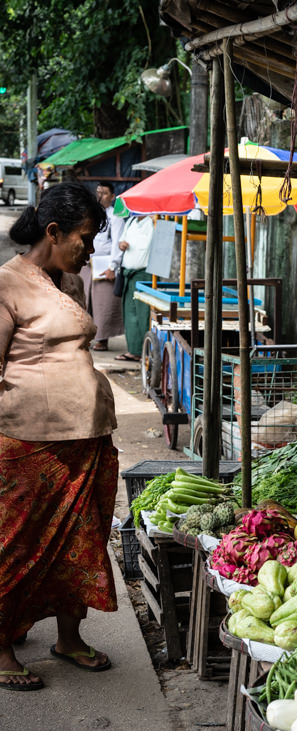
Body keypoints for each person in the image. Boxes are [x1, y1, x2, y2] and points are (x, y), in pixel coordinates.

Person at [0, 183, 119, 691]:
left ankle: (68, 637)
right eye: (84, 240)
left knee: (81, 543)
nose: (88, 251)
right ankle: (1, 645)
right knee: (16, 546)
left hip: (84, 440)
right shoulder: (8, 284)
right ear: (53, 232)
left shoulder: (63, 280)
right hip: (29, 444)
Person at [80, 180, 124, 351]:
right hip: (86, 263)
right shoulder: (89, 214)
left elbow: (117, 242)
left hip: (104, 266)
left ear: (112, 197)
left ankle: (102, 339)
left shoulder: (115, 216)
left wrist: (113, 266)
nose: (100, 196)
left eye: (104, 193)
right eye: (98, 192)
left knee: (103, 303)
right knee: (83, 300)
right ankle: (84, 337)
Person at [115, 214, 153, 362]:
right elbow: (120, 242)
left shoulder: (153, 222)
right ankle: (133, 350)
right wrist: (122, 244)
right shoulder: (131, 221)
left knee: (143, 313)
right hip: (128, 273)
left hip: (144, 274)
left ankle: (144, 351)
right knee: (130, 313)